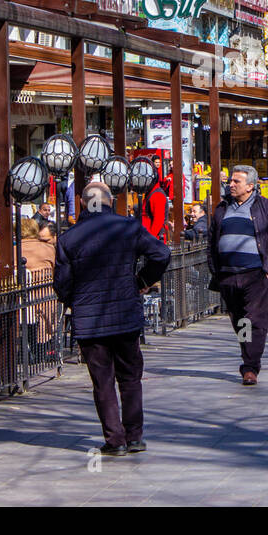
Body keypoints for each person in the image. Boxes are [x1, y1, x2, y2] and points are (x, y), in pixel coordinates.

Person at [55, 182, 170, 455]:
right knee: (130, 378)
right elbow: (162, 253)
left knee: (102, 381)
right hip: (125, 315)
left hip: (90, 320)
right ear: (110, 201)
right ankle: (134, 437)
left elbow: (62, 283)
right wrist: (142, 280)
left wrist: (74, 301)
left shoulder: (69, 238)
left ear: (83, 203)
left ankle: (114, 439)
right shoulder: (127, 227)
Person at [207, 166, 268, 384]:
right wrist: (215, 268)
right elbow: (212, 241)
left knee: (254, 321)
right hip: (228, 275)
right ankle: (247, 354)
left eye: (236, 182)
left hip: (255, 275)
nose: (231, 184)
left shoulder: (266, 208)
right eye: (231, 181)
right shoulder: (222, 208)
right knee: (240, 321)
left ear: (250, 186)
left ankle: (250, 366)